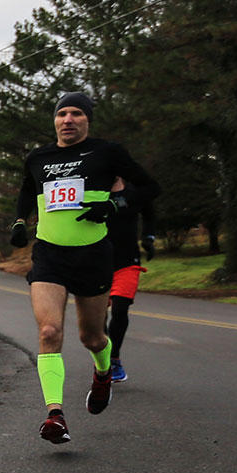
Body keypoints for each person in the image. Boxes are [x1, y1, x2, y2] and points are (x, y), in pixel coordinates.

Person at [9, 92, 150, 443]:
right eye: (62, 114)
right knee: (49, 333)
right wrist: (18, 221)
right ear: (54, 120)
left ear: (87, 120)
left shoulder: (107, 152)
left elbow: (149, 187)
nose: (68, 119)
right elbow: (27, 192)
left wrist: (115, 204)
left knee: (92, 336)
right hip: (50, 256)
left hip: (93, 255)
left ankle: (103, 372)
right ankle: (54, 414)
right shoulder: (39, 157)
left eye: (76, 114)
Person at [103, 154, 160, 382]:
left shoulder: (135, 191)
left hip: (127, 262)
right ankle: (103, 358)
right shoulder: (92, 192)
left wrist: (148, 237)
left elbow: (149, 213)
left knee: (119, 309)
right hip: (96, 263)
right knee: (96, 321)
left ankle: (114, 359)